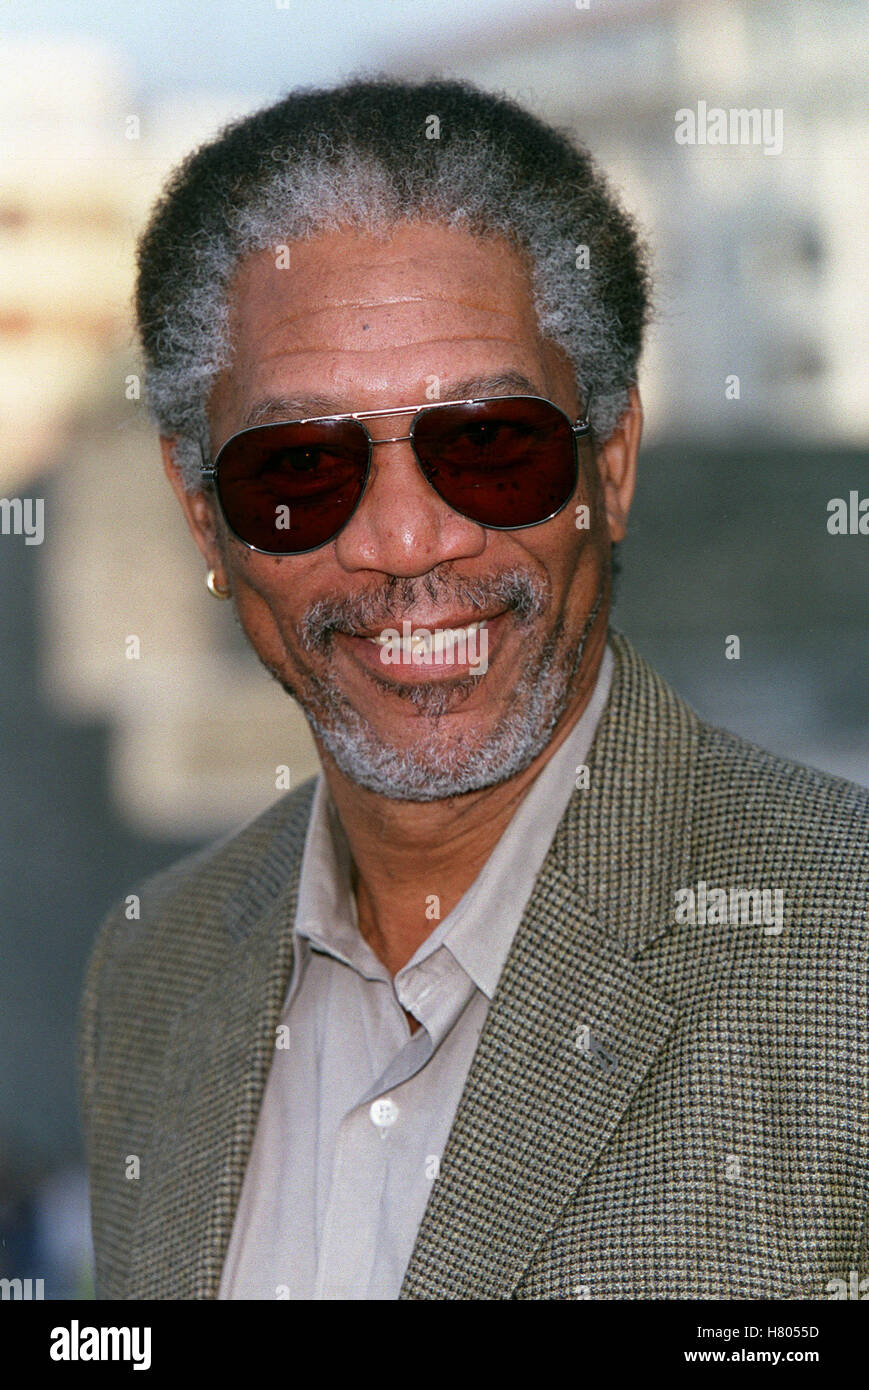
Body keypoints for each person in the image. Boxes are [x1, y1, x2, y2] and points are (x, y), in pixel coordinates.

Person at [78, 77, 868, 1300]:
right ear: (205, 520)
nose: (404, 543)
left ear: (609, 465)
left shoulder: (840, 957)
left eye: (488, 444)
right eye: (300, 465)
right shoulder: (152, 974)